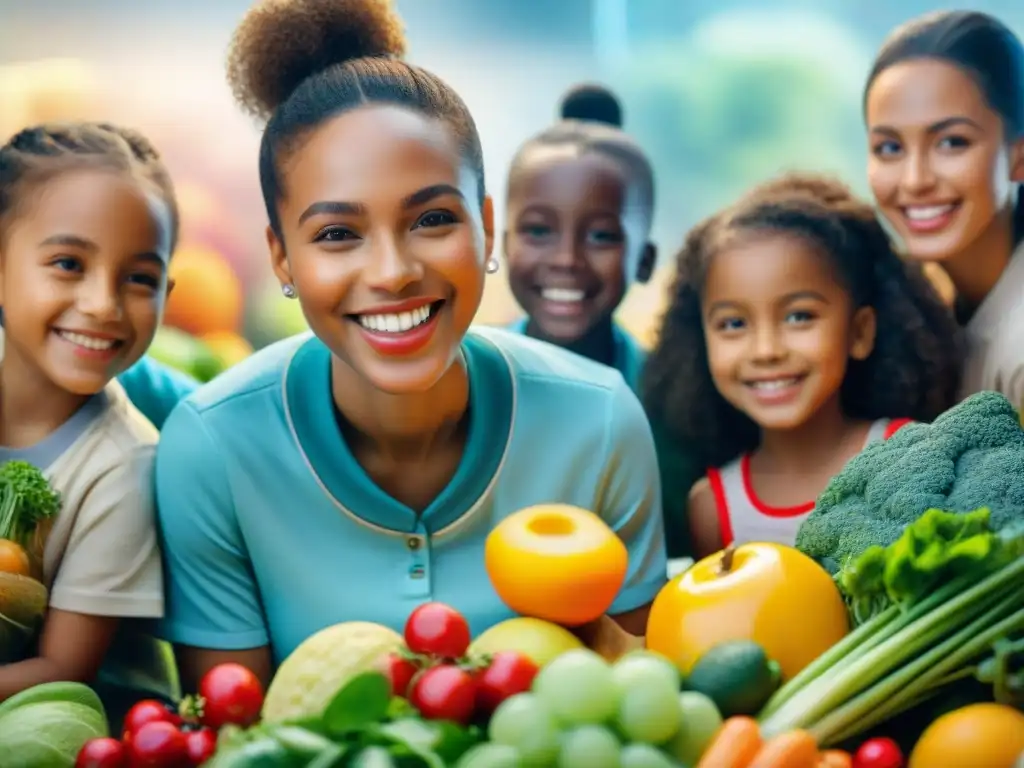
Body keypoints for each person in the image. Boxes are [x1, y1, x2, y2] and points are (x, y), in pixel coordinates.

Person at [154, 0, 666, 692]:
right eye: (337, 233)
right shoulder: (214, 451)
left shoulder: (599, 422)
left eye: (431, 219)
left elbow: (638, 701)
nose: (393, 271)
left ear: (486, 226)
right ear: (281, 258)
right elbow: (234, 735)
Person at [643, 174, 962, 558]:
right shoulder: (712, 508)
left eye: (798, 317)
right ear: (700, 342)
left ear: (859, 332)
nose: (766, 351)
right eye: (733, 323)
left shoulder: (909, 454)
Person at [0, 122, 175, 717]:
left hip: (77, 716)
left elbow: (63, 671)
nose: (103, 304)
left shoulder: (123, 465)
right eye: (69, 263)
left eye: (140, 279)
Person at [864, 11, 1024, 407]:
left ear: (1019, 156)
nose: (915, 179)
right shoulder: (921, 302)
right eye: (890, 147)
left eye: (952, 142)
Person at [504, 83, 655, 395]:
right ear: (505, 244)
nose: (567, 260)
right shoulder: (467, 387)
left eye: (601, 236)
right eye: (538, 231)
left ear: (644, 260)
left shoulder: (672, 404)